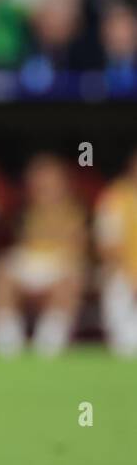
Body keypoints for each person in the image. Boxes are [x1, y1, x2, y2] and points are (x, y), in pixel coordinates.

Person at [0, 154, 88, 358]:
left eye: (49, 181)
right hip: (30, 264)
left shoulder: (75, 212)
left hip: (60, 268)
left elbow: (77, 252)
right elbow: (22, 248)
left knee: (71, 279)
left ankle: (49, 343)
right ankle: (6, 340)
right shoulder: (24, 212)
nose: (43, 186)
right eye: (38, 181)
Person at [94, 149, 137, 358]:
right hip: (123, 268)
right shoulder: (115, 197)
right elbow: (106, 244)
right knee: (114, 280)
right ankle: (124, 343)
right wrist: (130, 271)